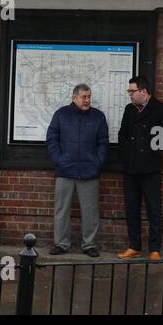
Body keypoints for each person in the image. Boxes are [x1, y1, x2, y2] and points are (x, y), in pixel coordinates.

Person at [117, 75, 163, 260]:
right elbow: (123, 135)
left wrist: (155, 148)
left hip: (151, 168)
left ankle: (154, 249)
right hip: (131, 168)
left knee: (153, 209)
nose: (129, 94)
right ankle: (134, 246)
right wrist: (127, 153)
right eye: (129, 91)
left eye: (132, 91)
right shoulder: (129, 110)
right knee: (132, 209)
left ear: (143, 92)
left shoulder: (160, 109)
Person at [46, 84, 109, 257]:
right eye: (84, 97)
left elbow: (103, 142)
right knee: (61, 210)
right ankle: (61, 243)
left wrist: (98, 162)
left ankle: (89, 244)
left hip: (89, 171)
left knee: (90, 211)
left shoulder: (98, 117)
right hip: (65, 170)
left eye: (89, 96)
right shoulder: (61, 114)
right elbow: (52, 139)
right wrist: (59, 160)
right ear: (74, 98)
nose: (87, 100)